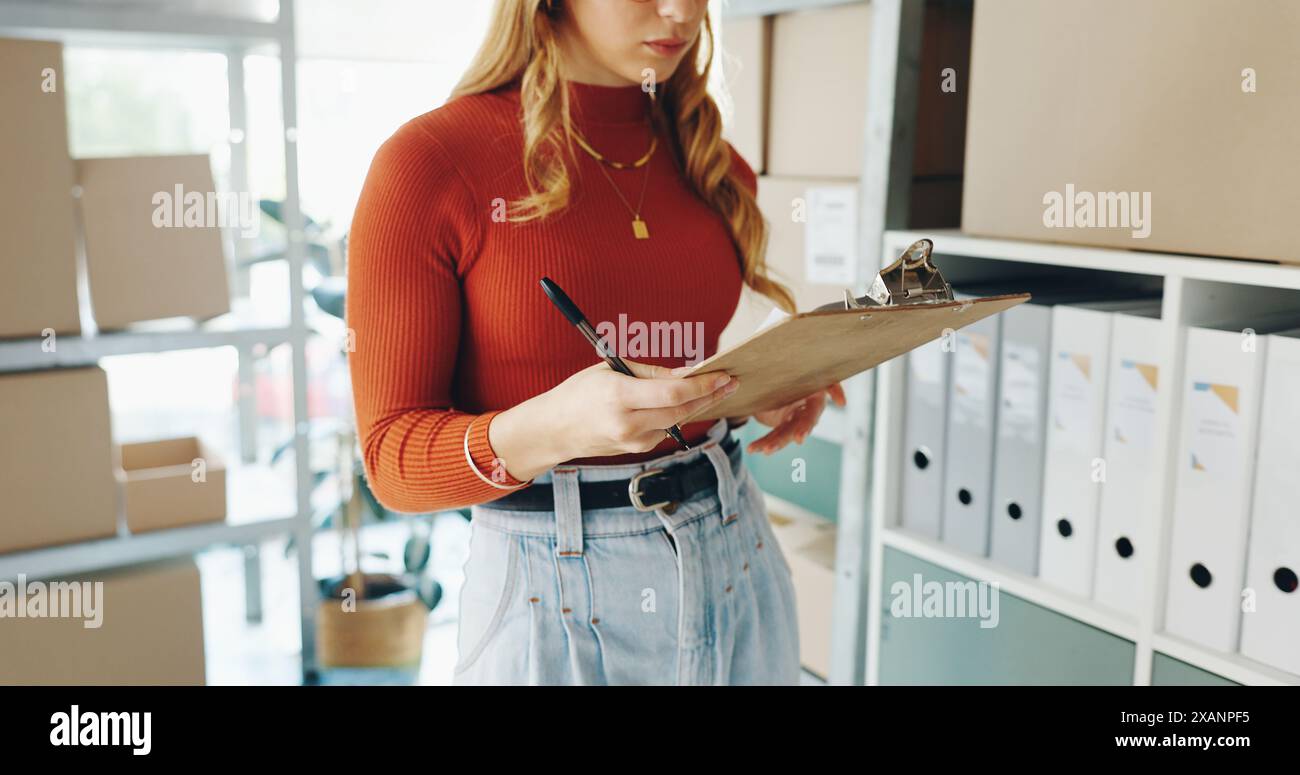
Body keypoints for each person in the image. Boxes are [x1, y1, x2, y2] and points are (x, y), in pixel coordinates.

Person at [346, 0, 845, 685]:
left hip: (741, 553)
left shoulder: (713, 163)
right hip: (553, 588)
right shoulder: (428, 165)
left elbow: (674, 370)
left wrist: (754, 390)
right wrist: (555, 427)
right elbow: (389, 458)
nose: (681, 12)